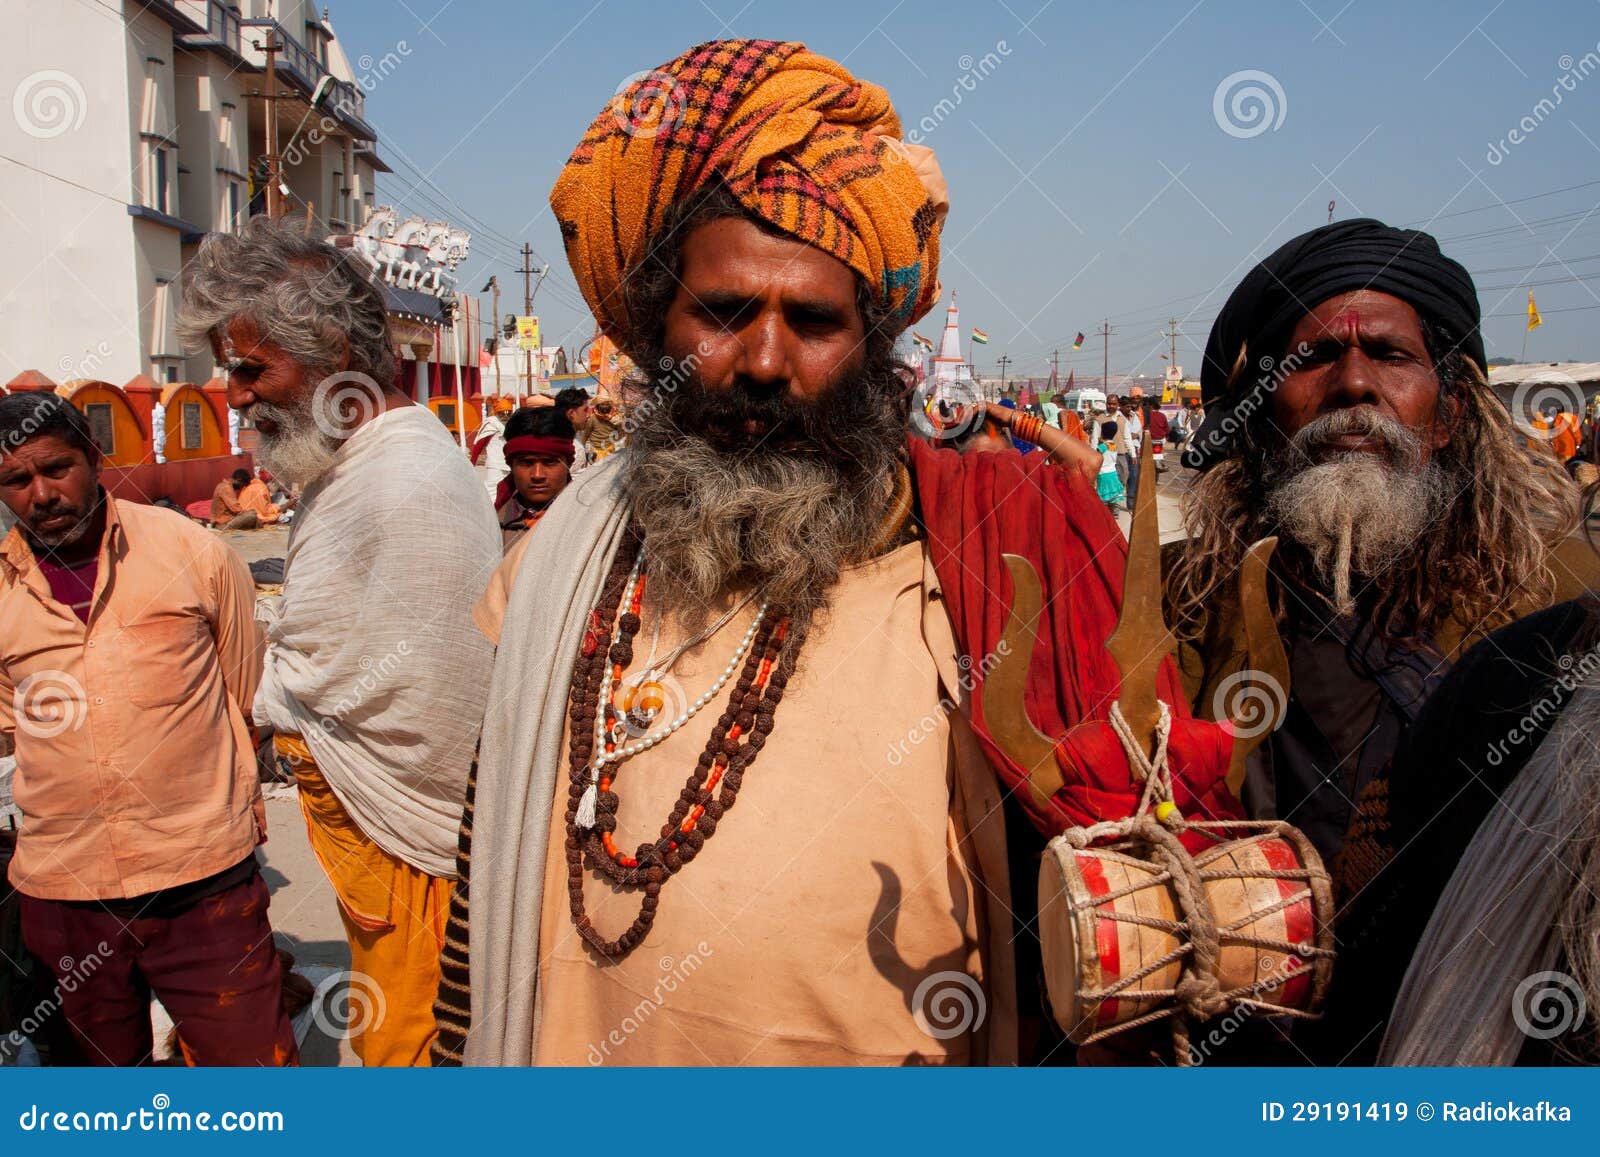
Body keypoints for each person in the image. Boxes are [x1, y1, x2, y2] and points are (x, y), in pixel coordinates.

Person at [433, 39, 1240, 1068]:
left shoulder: (983, 566)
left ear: (871, 344)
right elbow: (481, 882)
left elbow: (1124, 929)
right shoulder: (566, 567)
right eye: (724, 313)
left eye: (812, 321)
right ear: (656, 326)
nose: (766, 361)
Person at [1167, 217, 1592, 866]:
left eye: (1391, 355)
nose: (1353, 383)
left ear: (1448, 415)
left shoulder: (1564, 602)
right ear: (1263, 419)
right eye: (1315, 356)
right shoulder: (1180, 605)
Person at [179, 215, 500, 1067]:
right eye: (230, 372)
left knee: (412, 1046)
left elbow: (428, 704)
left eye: (253, 370)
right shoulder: (356, 460)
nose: (236, 396)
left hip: (414, 852)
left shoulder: (403, 481)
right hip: (379, 851)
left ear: (333, 355)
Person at [0, 393, 295, 1066]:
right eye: (17, 480)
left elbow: (244, 693)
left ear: (94, 459)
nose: (42, 494)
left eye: (57, 469)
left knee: (253, 1078)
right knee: (99, 1094)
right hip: (66, 895)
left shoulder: (192, 552)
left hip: (203, 884)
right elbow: (13, 724)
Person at [496, 406, 575, 551]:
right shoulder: (492, 525)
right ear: (510, 464)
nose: (537, 475)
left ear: (569, 463)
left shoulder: (596, 520)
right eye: (527, 462)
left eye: (549, 462)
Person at [471, 395, 517, 502]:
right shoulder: (491, 425)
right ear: (497, 413)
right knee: (492, 491)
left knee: (509, 492)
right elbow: (479, 445)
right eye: (503, 413)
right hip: (495, 465)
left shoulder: (513, 424)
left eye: (508, 413)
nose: (505, 416)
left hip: (510, 464)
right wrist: (472, 463)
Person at [552, 387, 594, 471]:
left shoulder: (573, 435)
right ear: (571, 413)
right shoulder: (573, 449)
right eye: (585, 410)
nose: (588, 415)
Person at [1094, 419, 1124, 513]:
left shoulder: (1102, 447)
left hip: (1103, 474)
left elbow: (1096, 458)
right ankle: (1113, 512)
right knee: (1112, 495)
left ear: (1102, 433)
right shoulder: (1114, 445)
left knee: (1103, 496)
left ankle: (1103, 514)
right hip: (1113, 473)